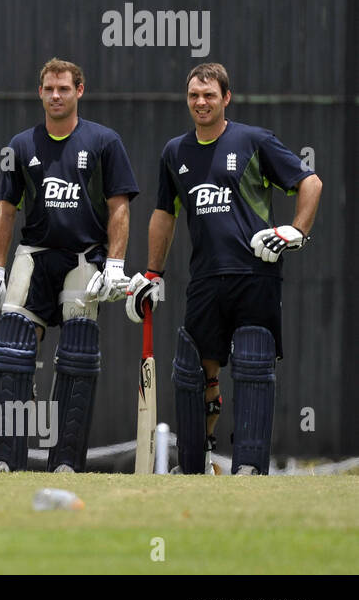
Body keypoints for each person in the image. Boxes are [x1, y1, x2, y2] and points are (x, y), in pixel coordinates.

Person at [126, 63, 321, 475]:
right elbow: (164, 214)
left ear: (226, 98)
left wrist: (297, 231)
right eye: (195, 95)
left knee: (253, 365)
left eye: (209, 95)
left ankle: (249, 466)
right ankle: (198, 463)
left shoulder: (253, 141)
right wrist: (152, 273)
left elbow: (311, 183)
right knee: (198, 372)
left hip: (256, 274)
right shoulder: (174, 152)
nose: (201, 102)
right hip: (206, 278)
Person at [0, 58, 138, 473]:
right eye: (49, 88)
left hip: (85, 258)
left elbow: (119, 206)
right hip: (34, 255)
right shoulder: (21, 145)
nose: (56, 95)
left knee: (78, 354)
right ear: (39, 92)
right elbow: (5, 210)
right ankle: (4, 460)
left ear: (80, 90)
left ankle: (65, 462)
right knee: (11, 352)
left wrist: (116, 264)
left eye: (64, 88)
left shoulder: (104, 141)